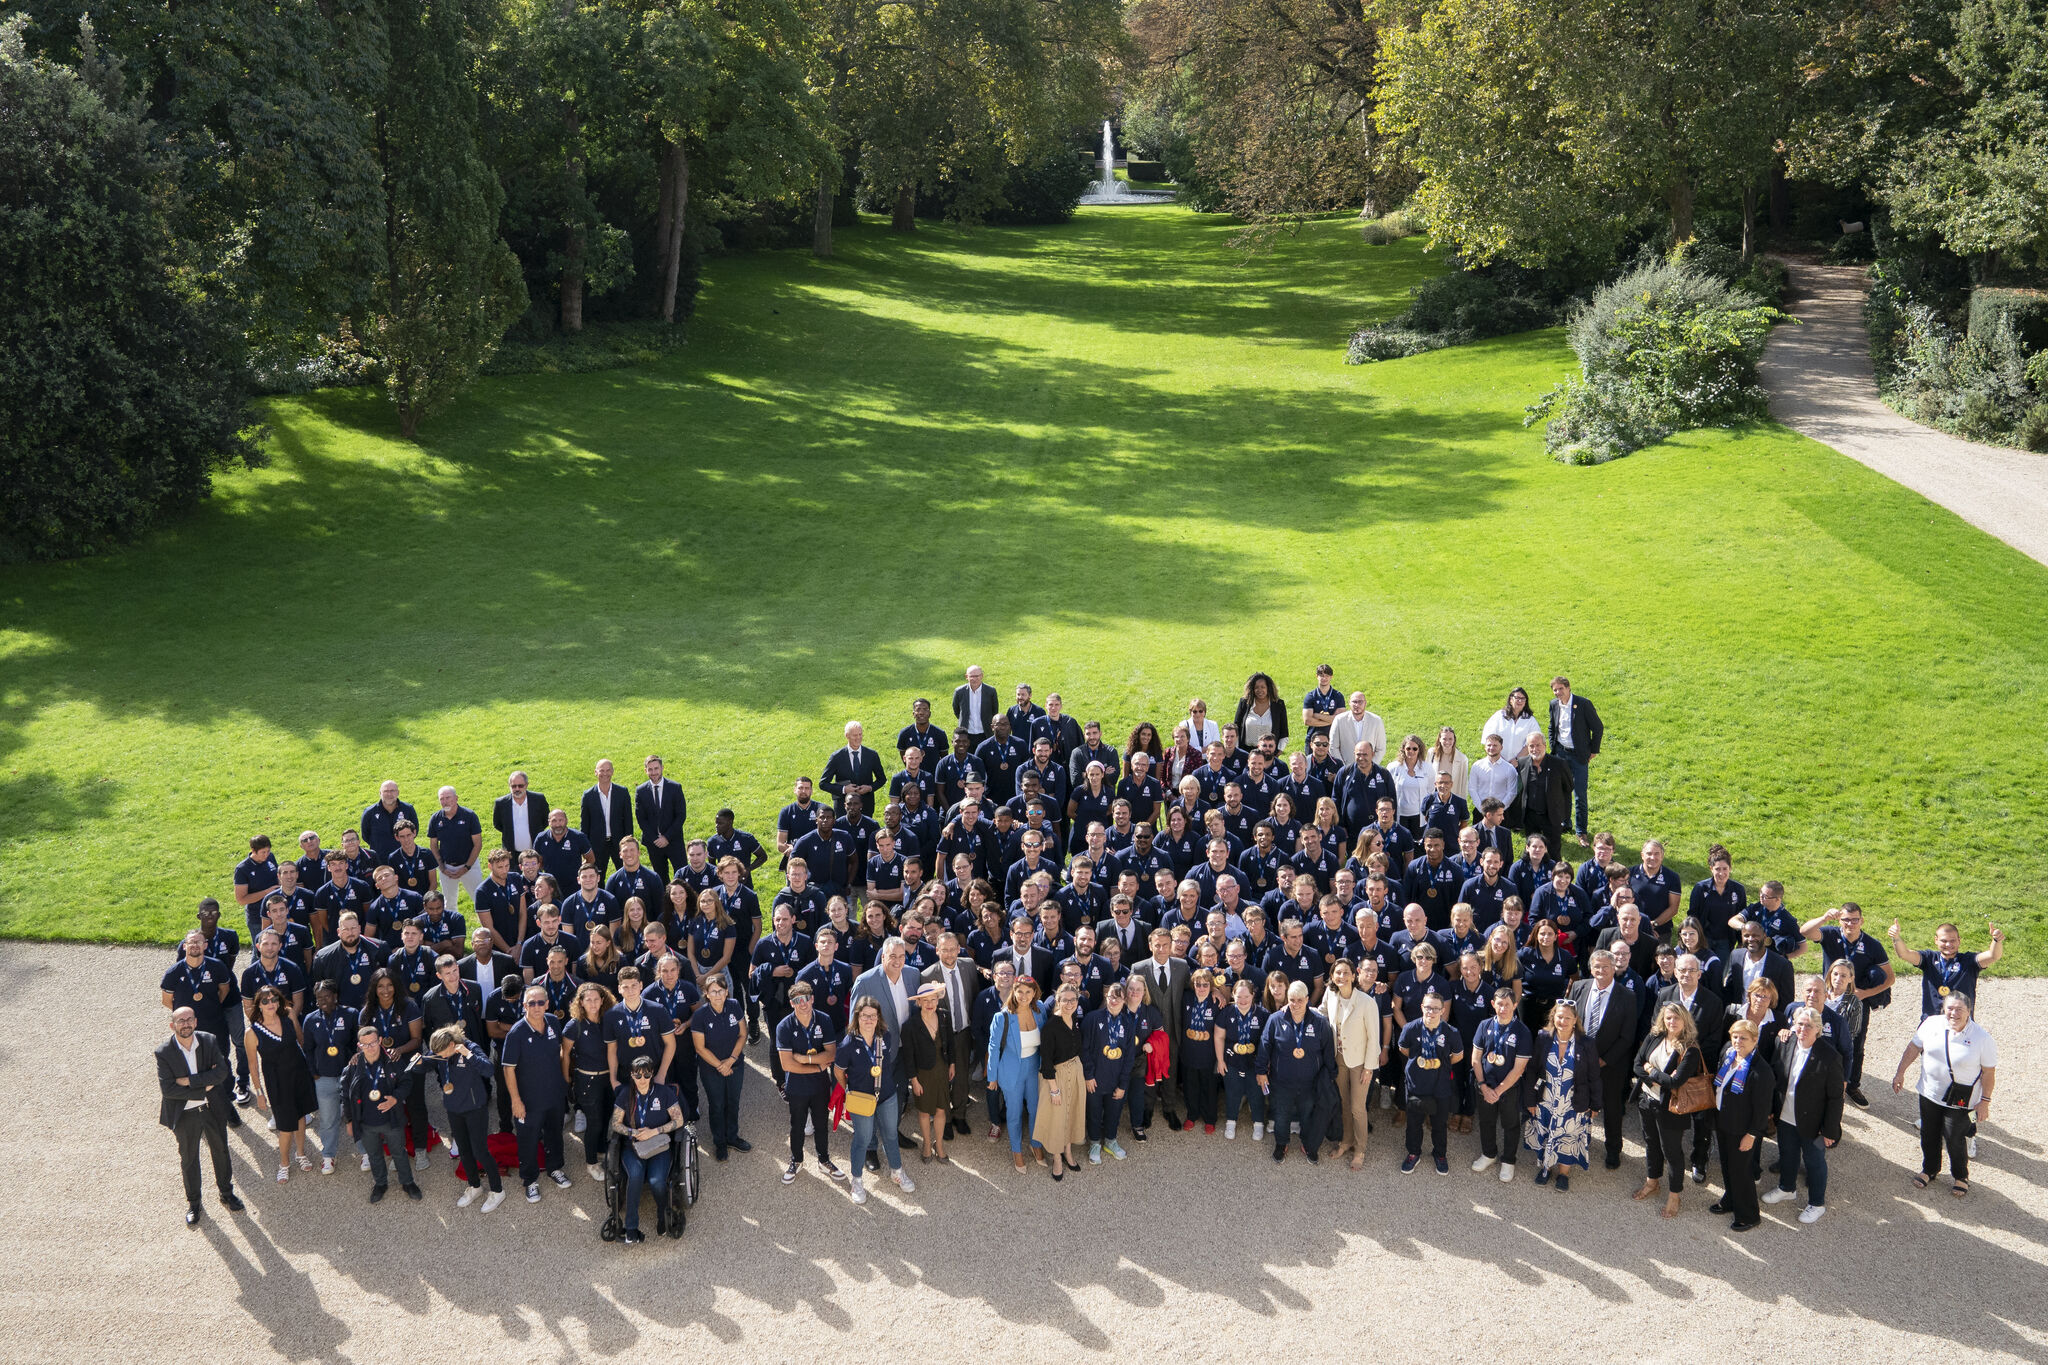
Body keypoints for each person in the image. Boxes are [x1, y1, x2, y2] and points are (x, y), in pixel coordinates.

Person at [1895, 992, 1995, 1199]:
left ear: (1969, 1011)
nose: (1953, 1013)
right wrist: (1900, 1072)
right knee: (1929, 1133)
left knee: (1954, 1137)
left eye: (1959, 1009)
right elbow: (1914, 1047)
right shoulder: (1931, 1024)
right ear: (1943, 1009)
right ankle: (1930, 1169)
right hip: (1929, 1093)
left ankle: (1960, 1176)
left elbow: (1988, 1073)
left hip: (1963, 1099)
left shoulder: (1982, 1039)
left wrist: (1984, 1101)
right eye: (1950, 1008)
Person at [156, 1007, 244, 1226]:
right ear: (172, 1025)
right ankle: (194, 1204)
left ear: (195, 1022)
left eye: (188, 1020)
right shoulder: (163, 1052)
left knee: (221, 1152)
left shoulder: (209, 1040)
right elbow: (168, 1089)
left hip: (212, 1108)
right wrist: (204, 1086)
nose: (185, 1024)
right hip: (185, 1114)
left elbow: (221, 1072)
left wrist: (189, 1081)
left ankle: (226, 1193)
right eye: (180, 1021)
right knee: (189, 1159)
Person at [1800, 902, 1893, 1105]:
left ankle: (1851, 1085)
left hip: (1855, 1001)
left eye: (1855, 919)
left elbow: (1889, 978)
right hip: (1829, 996)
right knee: (1818, 1034)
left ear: (1862, 920)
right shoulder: (1831, 934)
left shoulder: (1872, 945)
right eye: (1845, 919)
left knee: (1856, 1044)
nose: (1850, 923)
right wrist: (1824, 918)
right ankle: (1814, 1074)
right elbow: (1805, 931)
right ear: (1839, 920)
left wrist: (1864, 993)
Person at [1765, 1006, 1845, 1223]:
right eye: (1799, 1024)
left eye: (1809, 1025)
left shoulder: (1830, 1057)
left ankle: (1817, 1203)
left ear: (1818, 1029)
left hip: (1814, 1123)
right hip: (1786, 1115)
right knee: (1787, 1154)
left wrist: (1829, 1130)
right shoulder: (1785, 1042)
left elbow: (1836, 1098)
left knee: (1815, 1161)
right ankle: (1786, 1188)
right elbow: (1776, 1077)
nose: (1803, 1029)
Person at [836, 997, 912, 1203]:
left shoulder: (885, 1037)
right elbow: (839, 1071)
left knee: (890, 1135)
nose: (868, 1020)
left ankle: (896, 1171)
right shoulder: (848, 1044)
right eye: (864, 1016)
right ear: (857, 1017)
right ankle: (857, 1181)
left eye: (872, 1015)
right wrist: (849, 1090)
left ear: (878, 1017)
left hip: (887, 1095)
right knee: (863, 1138)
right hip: (862, 1099)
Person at [1631, 1002, 1704, 1218]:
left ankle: (1674, 1195)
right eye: (1668, 1017)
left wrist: (1651, 1071)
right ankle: (1652, 1182)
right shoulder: (1655, 1036)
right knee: (1650, 1142)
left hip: (1670, 1108)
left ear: (1685, 1021)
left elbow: (1675, 1083)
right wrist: (1658, 1078)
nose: (1672, 1022)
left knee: (1671, 1151)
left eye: (1677, 1018)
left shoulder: (1690, 1049)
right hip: (1647, 1100)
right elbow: (1636, 1065)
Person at [501, 985, 573, 1202]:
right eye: (531, 1003)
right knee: (528, 1139)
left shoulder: (553, 1021)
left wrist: (563, 1081)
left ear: (547, 1004)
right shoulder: (516, 1033)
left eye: (541, 1002)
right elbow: (508, 1068)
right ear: (524, 1006)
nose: (537, 1007)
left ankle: (554, 1169)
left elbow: (561, 1052)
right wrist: (516, 1101)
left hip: (553, 1095)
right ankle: (530, 1180)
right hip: (528, 1100)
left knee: (554, 1134)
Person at [1569, 948, 1638, 1171]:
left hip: (1611, 1064)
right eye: (1596, 967)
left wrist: (1603, 1060)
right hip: (1578, 1059)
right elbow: (1567, 1020)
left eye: (1605, 967)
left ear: (1613, 969)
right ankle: (1580, 1141)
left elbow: (1627, 1036)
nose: (1600, 971)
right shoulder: (1579, 987)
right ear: (1591, 968)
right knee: (1578, 1101)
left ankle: (1613, 1150)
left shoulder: (1626, 996)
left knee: (1612, 1108)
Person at [243, 985, 318, 1183]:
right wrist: (259, 1092)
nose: (271, 1004)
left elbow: (300, 1040)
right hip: (277, 1081)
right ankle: (283, 1163)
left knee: (301, 1116)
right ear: (258, 1004)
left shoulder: (288, 1016)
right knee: (285, 1126)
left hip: (299, 1074)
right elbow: (253, 1065)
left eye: (274, 999)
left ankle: (300, 1153)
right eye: (265, 1001)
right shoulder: (252, 1032)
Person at [428, 1024, 505, 1211]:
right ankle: (475, 1186)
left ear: (453, 1044)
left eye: (443, 1052)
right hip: (453, 1108)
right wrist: (416, 1062)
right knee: (464, 1150)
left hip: (474, 1108)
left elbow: (488, 1070)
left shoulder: (469, 1048)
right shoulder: (441, 1051)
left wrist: (468, 1055)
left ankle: (497, 1191)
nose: (441, 1056)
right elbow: (429, 1062)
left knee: (480, 1151)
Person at [342, 1024, 421, 1203]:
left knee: (399, 1152)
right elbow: (344, 1094)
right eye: (365, 1044)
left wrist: (395, 1098)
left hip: (391, 1119)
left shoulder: (393, 1061)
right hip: (366, 1122)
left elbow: (407, 1082)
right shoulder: (354, 1066)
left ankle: (408, 1182)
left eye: (373, 1043)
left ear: (379, 1041)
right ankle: (380, 1184)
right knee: (374, 1155)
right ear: (359, 1046)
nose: (370, 1047)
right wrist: (349, 1120)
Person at [1709, 1018, 1775, 1232]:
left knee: (1741, 1171)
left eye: (1744, 1038)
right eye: (1735, 1036)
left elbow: (1762, 1109)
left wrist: (1752, 1134)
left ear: (1755, 1040)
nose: (1738, 1041)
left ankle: (1748, 1215)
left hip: (1742, 1129)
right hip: (1724, 1121)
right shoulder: (1728, 1055)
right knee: (1727, 1166)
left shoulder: (1761, 1071)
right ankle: (1730, 1200)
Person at [1260, 979, 1335, 1164]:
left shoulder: (1319, 1022)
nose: (1295, 1004)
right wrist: (1261, 1071)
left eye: (1300, 1000)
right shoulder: (1275, 1019)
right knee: (1281, 1114)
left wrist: (1331, 1076)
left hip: (1310, 1083)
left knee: (1307, 1115)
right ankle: (1281, 1144)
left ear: (1308, 999)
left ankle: (1308, 1145)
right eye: (1292, 1000)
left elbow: (1328, 1051)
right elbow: (1264, 1045)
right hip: (1281, 1082)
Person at [1524, 1000, 1596, 1192]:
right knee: (1546, 1131)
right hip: (1546, 1098)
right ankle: (1546, 1168)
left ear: (1575, 1020)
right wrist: (1530, 1098)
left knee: (1568, 1137)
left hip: (1573, 1101)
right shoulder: (1543, 1038)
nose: (1562, 1021)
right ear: (1552, 1017)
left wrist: (1595, 1105)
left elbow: (1594, 1076)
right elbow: (1532, 1070)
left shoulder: (1586, 1043)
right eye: (1559, 1016)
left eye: (1567, 1018)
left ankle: (1563, 1174)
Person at [611, 1056, 685, 1241]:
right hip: (633, 1146)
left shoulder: (664, 1093)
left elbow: (679, 1120)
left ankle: (663, 1215)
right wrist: (632, 1131)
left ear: (652, 1074)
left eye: (646, 1075)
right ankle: (631, 1228)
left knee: (656, 1181)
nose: (642, 1079)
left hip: (659, 1145)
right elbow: (615, 1123)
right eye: (638, 1075)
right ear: (631, 1075)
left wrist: (654, 1131)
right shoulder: (625, 1094)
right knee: (634, 1176)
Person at [775, 983, 843, 1183]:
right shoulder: (784, 1026)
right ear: (791, 1003)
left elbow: (831, 1053)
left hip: (821, 1085)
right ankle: (796, 1160)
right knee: (797, 1126)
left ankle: (824, 1160)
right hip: (796, 1086)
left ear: (812, 998)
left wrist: (805, 1060)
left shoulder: (825, 1019)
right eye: (797, 1000)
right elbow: (787, 1064)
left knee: (822, 1124)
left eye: (806, 998)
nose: (802, 1004)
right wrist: (817, 1066)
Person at [920, 933, 981, 1138]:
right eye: (944, 949)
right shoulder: (928, 975)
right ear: (937, 950)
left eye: (953, 948)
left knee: (962, 1075)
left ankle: (960, 1115)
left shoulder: (969, 966)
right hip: (941, 1035)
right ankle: (944, 1118)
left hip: (963, 1031)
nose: (949, 953)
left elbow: (974, 993)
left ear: (959, 949)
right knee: (942, 1078)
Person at [1321, 959, 1380, 1170]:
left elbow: (1374, 1038)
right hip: (1338, 1058)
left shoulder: (1366, 1001)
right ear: (1333, 975)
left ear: (1354, 975)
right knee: (1344, 1104)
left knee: (1357, 1107)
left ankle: (1360, 1149)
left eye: (1346, 972)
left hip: (1360, 1062)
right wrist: (1293, 1008)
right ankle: (1346, 1141)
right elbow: (1321, 1013)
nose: (1341, 976)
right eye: (1337, 973)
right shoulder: (1331, 994)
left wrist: (1369, 1067)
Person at [1396, 991, 1463, 1174]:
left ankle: (1440, 1154)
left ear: (1442, 1010)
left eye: (1435, 1009)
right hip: (1416, 1085)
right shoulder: (1410, 1028)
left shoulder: (1451, 1032)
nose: (1431, 1012)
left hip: (1440, 1086)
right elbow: (1403, 1048)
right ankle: (1413, 1153)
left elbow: (1458, 1056)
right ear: (1421, 1008)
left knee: (1440, 1124)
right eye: (1427, 1007)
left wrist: (1442, 1065)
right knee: (1414, 1123)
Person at [1890, 917, 2005, 1021]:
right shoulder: (1929, 959)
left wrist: (1996, 940)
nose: (1948, 944)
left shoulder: (1968, 961)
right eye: (1944, 941)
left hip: (1960, 1022)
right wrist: (1896, 938)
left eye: (1953, 940)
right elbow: (1904, 954)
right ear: (1936, 940)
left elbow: (1993, 956)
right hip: (1932, 1021)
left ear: (1959, 940)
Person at [1471, 987, 1532, 1181]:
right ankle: (1489, 1154)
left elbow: (1519, 1069)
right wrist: (1483, 1086)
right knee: (1486, 1121)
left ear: (1515, 1005)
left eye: (1507, 1005)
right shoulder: (1484, 1025)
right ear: (1493, 1004)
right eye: (1499, 1004)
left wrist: (1497, 1091)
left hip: (1509, 1089)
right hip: (1485, 1085)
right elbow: (1475, 1059)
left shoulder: (1522, 1032)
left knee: (1511, 1124)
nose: (1503, 1008)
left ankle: (1508, 1161)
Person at [690, 974, 749, 1160]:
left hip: (735, 1065)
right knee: (717, 1104)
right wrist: (720, 1066)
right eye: (713, 991)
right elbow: (700, 1047)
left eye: (721, 990)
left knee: (733, 1102)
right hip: (711, 1069)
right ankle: (720, 1142)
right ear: (706, 994)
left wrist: (731, 1060)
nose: (717, 995)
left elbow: (742, 1034)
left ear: (726, 992)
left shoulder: (734, 1005)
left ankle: (732, 1137)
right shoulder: (700, 1015)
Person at [988, 975, 1045, 1168]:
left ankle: (1036, 1144)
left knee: (1036, 1109)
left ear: (1035, 993)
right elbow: (993, 1048)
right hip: (1011, 1069)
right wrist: (992, 1077)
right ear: (1014, 991)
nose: (1024, 995)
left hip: (1034, 1067)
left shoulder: (1040, 1010)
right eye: (1020, 991)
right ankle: (1016, 1150)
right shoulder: (1002, 1017)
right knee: (1014, 1112)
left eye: (1028, 991)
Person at [1033, 983, 1088, 1178]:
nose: (1070, 1003)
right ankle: (1057, 1157)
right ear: (1058, 1001)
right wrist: (1054, 1089)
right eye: (1065, 1000)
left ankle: (1068, 1150)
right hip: (1056, 1077)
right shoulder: (1050, 1027)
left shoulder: (1074, 1021)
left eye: (1073, 1000)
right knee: (1057, 1118)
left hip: (1075, 1071)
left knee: (1071, 1113)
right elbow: (1046, 1061)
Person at [565, 981, 618, 1181]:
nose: (593, 1003)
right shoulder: (574, 1025)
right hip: (587, 1080)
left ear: (602, 1000)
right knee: (594, 1123)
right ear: (581, 1002)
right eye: (588, 999)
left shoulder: (608, 1021)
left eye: (596, 999)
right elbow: (566, 1054)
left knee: (606, 1119)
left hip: (608, 1078)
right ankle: (591, 1163)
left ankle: (601, 1149)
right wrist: (566, 1079)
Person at [1080, 979, 1136, 1164]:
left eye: (1119, 998)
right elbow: (1084, 1050)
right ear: (1106, 995)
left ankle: (1110, 1141)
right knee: (1094, 1112)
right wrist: (1088, 1075)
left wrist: (1123, 1084)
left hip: (1116, 1079)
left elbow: (1129, 1057)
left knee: (1114, 1112)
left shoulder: (1128, 1024)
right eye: (1112, 996)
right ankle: (1095, 1142)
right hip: (1095, 1078)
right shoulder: (1093, 1018)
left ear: (1125, 1001)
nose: (1114, 1001)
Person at [903, 983, 954, 1164]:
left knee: (941, 1109)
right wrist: (914, 1081)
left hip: (942, 1068)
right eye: (925, 1000)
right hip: (922, 1073)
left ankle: (938, 1145)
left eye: (933, 999)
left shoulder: (945, 1016)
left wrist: (952, 1064)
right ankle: (926, 1144)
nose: (930, 1003)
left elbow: (951, 1042)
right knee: (924, 1111)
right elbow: (908, 1057)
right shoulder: (910, 1026)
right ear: (918, 1003)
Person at [1546, 676, 1602, 840]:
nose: (1558, 693)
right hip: (1560, 754)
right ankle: (1565, 823)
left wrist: (1593, 750)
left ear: (1568, 688)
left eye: (1560, 689)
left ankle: (1581, 831)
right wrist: (1553, 747)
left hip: (1578, 756)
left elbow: (1598, 728)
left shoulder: (1583, 704)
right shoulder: (1553, 704)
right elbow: (1552, 726)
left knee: (1579, 795)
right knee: (1562, 791)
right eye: (1555, 690)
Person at [492, 771, 550, 855]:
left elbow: (546, 820)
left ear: (526, 785)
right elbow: (497, 824)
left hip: (535, 852)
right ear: (509, 786)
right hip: (511, 853)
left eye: (520, 786)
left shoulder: (538, 800)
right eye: (513, 786)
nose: (517, 789)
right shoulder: (501, 803)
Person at [953, 666, 1000, 743]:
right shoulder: (959, 692)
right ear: (966, 677)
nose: (974, 679)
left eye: (977, 676)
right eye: (971, 676)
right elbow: (957, 710)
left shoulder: (991, 691)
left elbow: (994, 711)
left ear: (982, 676)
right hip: (966, 734)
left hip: (985, 733)